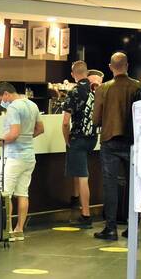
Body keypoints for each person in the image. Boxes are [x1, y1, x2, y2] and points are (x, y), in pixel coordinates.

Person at [92, 52, 136, 240]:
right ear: (127, 65)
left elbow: (96, 119)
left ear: (110, 67)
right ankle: (132, 227)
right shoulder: (138, 87)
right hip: (133, 141)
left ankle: (110, 228)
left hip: (109, 140)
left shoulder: (103, 89)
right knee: (134, 184)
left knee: (110, 185)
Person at [0, 82, 43, 241]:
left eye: (0, 99)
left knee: (5, 194)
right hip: (29, 157)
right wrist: (26, 139)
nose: (1, 103)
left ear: (6, 94)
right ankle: (19, 230)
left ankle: (6, 230)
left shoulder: (14, 108)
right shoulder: (32, 105)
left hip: (13, 157)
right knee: (23, 193)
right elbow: (40, 129)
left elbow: (14, 133)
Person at [61, 60, 97, 228]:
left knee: (83, 177)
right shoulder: (95, 89)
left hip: (79, 137)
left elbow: (66, 122)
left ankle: (86, 215)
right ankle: (75, 198)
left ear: (73, 74)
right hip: (92, 138)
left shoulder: (74, 92)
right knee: (80, 170)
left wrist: (66, 138)